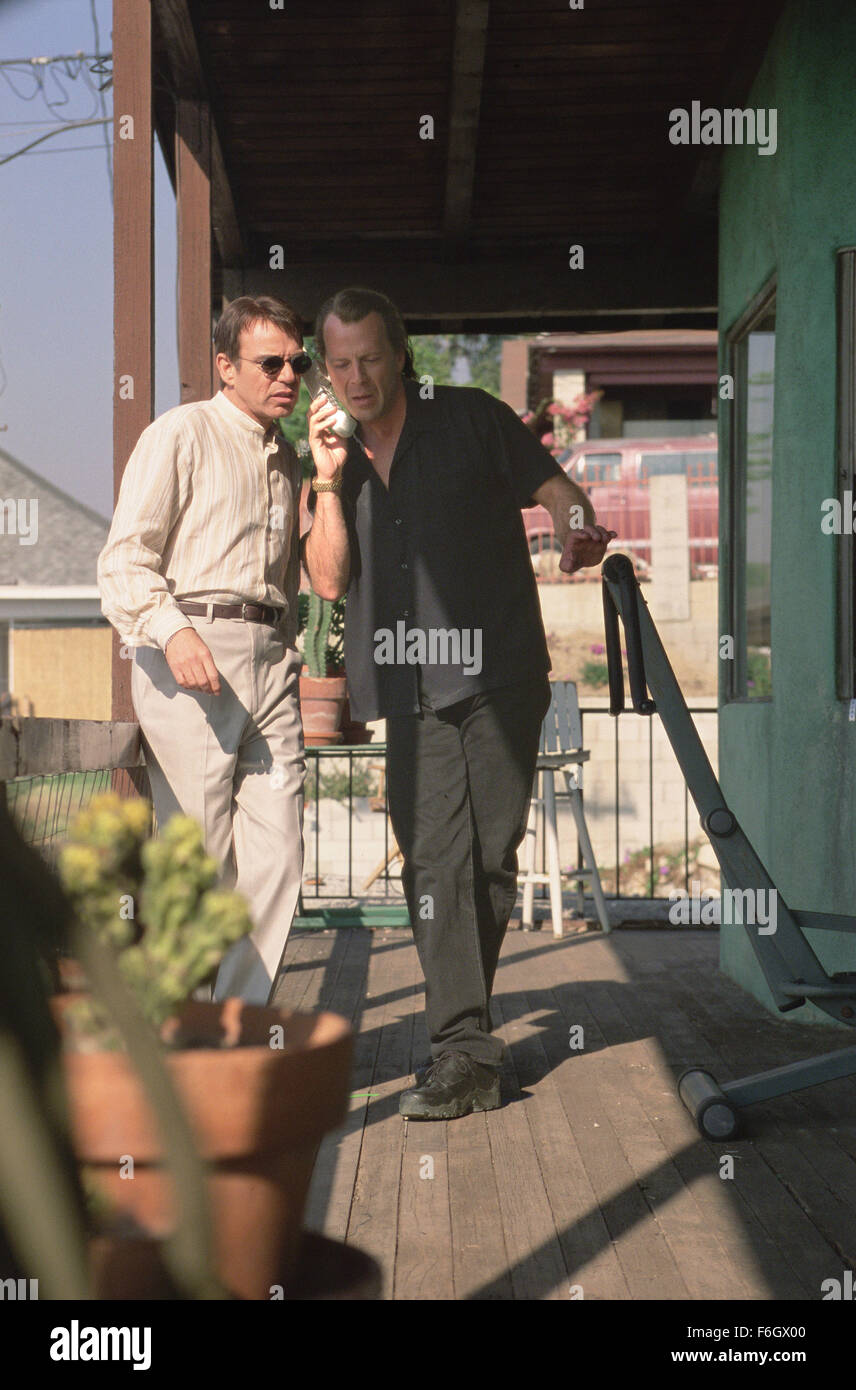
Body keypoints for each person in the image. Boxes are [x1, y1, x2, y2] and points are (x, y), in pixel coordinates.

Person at [302, 286, 615, 1118]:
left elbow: (555, 489)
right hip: (404, 688)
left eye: (369, 358)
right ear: (324, 369)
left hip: (499, 670)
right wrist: (329, 483)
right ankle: (464, 1052)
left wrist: (577, 523)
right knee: (435, 863)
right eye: (339, 364)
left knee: (490, 854)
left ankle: (463, 1042)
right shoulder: (329, 462)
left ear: (401, 354)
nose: (356, 377)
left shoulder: (471, 416)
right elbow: (328, 581)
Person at [98, 295, 310, 1005]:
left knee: (280, 853)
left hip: (271, 655)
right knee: (201, 857)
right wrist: (173, 631)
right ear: (225, 365)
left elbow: (302, 579)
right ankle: (179, 1031)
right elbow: (126, 558)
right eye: (270, 362)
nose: (289, 375)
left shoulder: (291, 460)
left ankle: (240, 1024)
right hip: (192, 651)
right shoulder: (180, 432)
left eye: (298, 362)